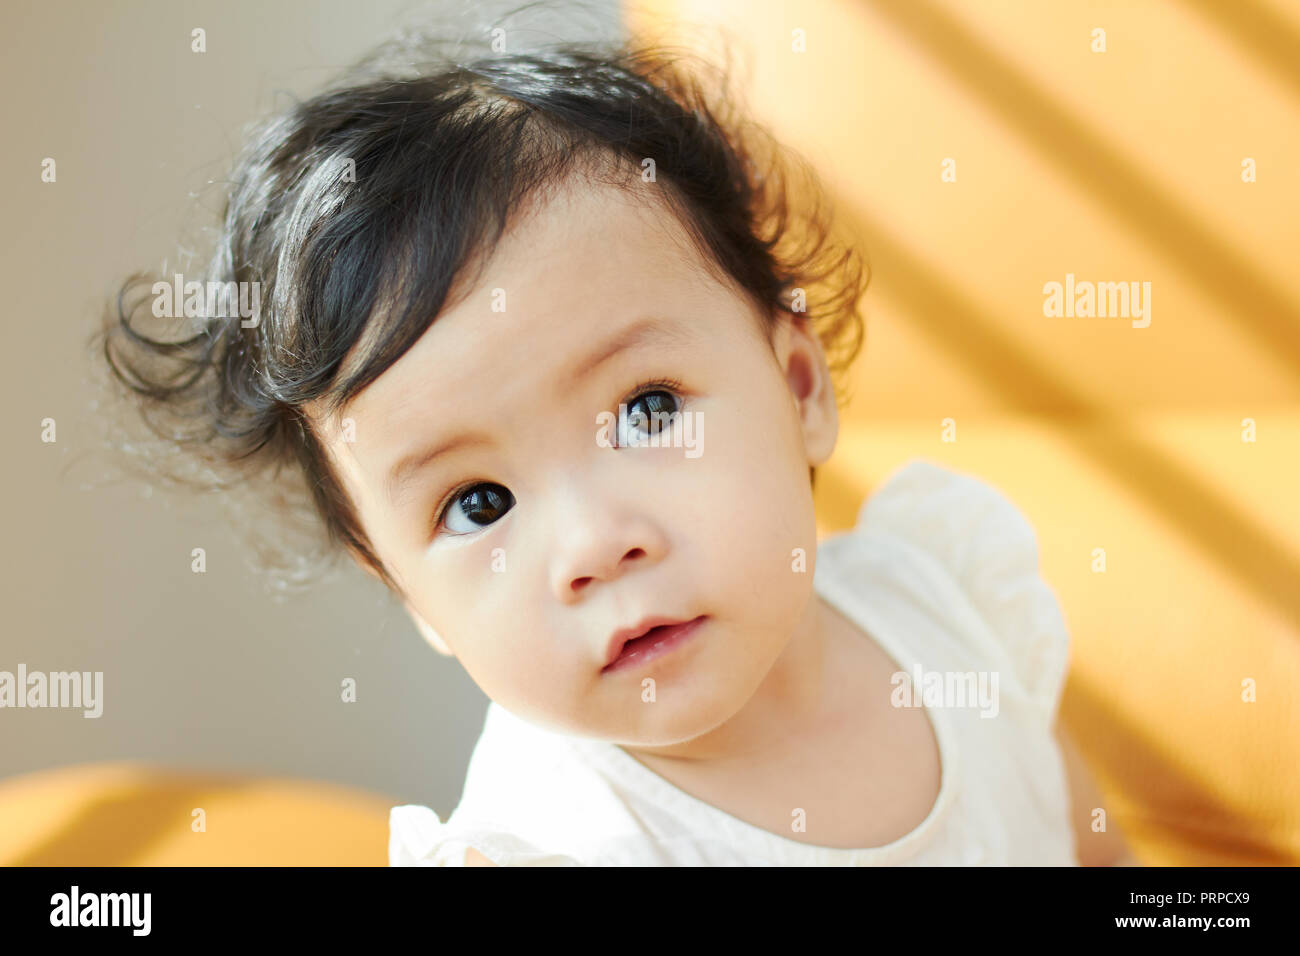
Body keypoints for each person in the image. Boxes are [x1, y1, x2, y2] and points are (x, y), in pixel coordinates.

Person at [96, 15, 1133, 867]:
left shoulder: (940, 604)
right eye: (478, 502)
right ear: (410, 593)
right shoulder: (557, 842)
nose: (595, 544)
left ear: (797, 385)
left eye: (646, 410)